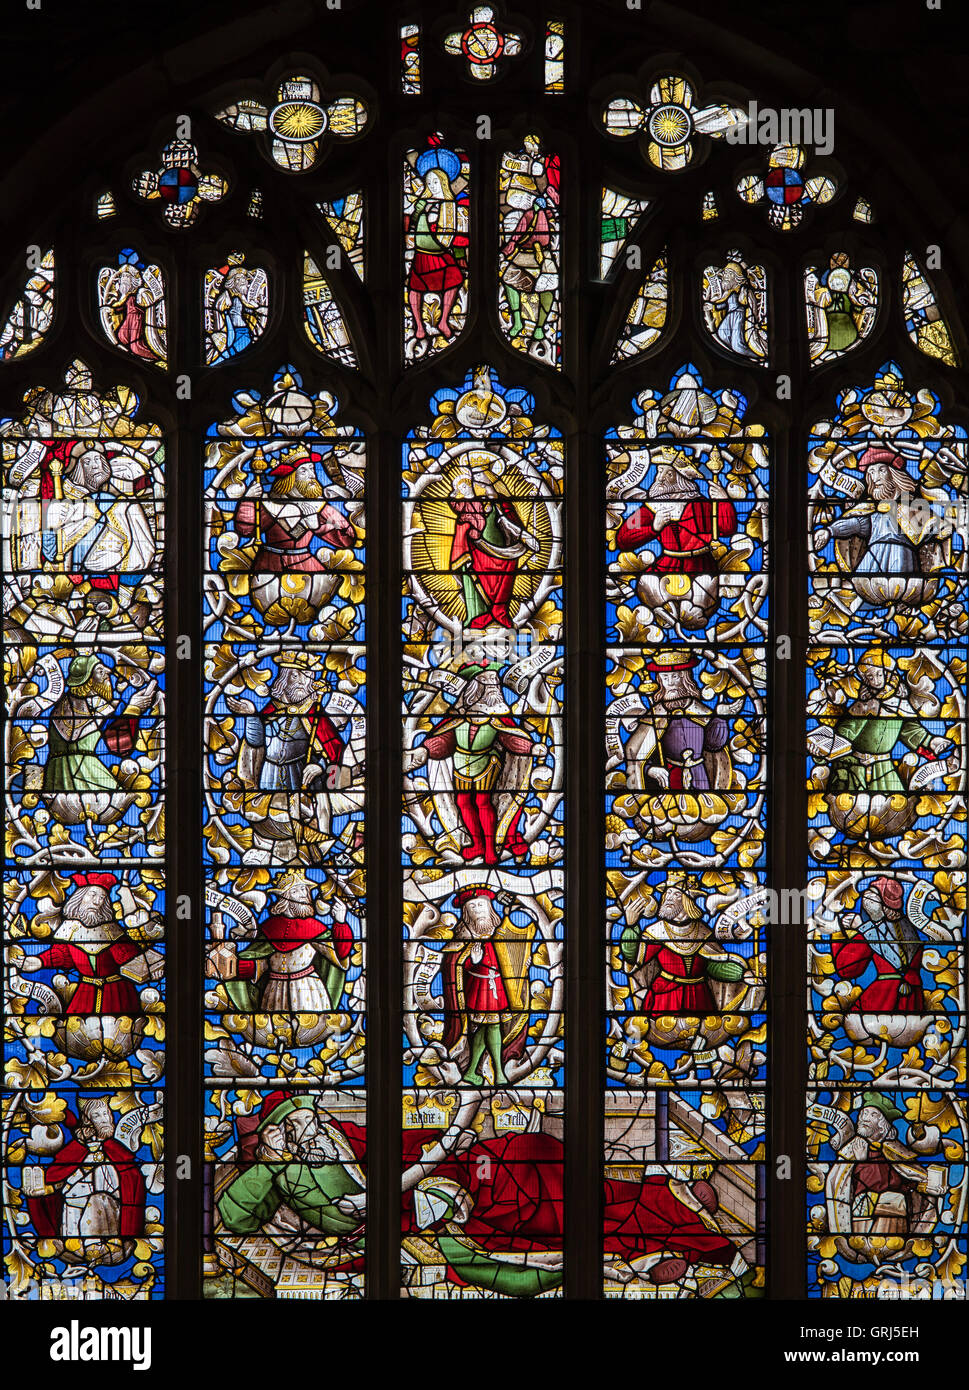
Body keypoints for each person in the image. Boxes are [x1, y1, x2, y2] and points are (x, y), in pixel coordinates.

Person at [416, 662, 535, 864]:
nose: (492, 691)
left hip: (486, 763)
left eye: (493, 687)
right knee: (462, 802)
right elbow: (445, 740)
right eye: (486, 687)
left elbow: (509, 738)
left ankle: (490, 850)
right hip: (461, 763)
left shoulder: (496, 719)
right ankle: (477, 844)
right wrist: (426, 749)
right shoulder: (458, 718)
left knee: (482, 802)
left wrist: (531, 748)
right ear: (473, 690)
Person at [209, 868, 353, 1013]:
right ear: (285, 897)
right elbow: (261, 963)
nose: (304, 895)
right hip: (275, 990)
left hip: (307, 990)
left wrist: (340, 923)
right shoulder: (269, 928)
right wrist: (230, 967)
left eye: (305, 890)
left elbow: (340, 955)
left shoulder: (314, 928)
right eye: (297, 891)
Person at [440, 886, 532, 1084]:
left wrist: (523, 965)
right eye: (472, 906)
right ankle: (497, 1073)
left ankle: (475, 1072)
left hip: (497, 988)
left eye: (481, 905)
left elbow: (508, 961)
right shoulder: (463, 939)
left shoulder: (499, 935)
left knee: (486, 1028)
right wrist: (471, 959)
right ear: (466, 913)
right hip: (477, 990)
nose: (478, 910)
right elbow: (453, 964)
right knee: (490, 1026)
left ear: (490, 908)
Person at [618, 874, 744, 1014]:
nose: (668, 898)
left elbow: (713, 965)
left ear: (687, 901)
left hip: (699, 997)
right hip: (666, 998)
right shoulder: (657, 931)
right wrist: (631, 926)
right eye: (668, 893)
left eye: (676, 894)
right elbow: (634, 958)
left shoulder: (702, 931)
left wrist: (742, 974)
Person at [623, 651, 731, 792]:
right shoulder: (657, 713)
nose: (671, 682)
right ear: (660, 680)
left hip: (700, 776)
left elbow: (714, 745)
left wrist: (720, 719)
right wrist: (649, 769)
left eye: (675, 676)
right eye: (665, 677)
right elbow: (635, 750)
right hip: (670, 777)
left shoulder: (699, 709)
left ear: (685, 678)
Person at [448, 465, 539, 628]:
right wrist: (467, 530)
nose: (476, 480)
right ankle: (479, 615)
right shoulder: (477, 502)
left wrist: (525, 535)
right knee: (476, 581)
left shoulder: (500, 501)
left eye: (479, 475)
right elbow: (462, 518)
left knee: (502, 584)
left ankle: (498, 613)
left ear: (490, 477)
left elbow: (511, 523)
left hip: (505, 551)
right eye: (474, 476)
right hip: (477, 551)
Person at [832, 877, 924, 1012]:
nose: (866, 905)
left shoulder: (887, 929)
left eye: (870, 900)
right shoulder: (908, 926)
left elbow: (846, 968)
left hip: (885, 996)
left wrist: (855, 929)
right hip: (913, 996)